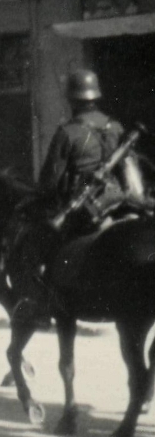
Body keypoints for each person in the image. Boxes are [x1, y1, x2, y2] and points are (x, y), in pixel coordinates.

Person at [9, 70, 140, 316]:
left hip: (82, 210)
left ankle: (42, 306)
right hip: (117, 201)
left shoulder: (67, 133)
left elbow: (49, 184)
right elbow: (131, 178)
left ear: (71, 99)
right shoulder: (116, 128)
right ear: (95, 95)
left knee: (34, 248)